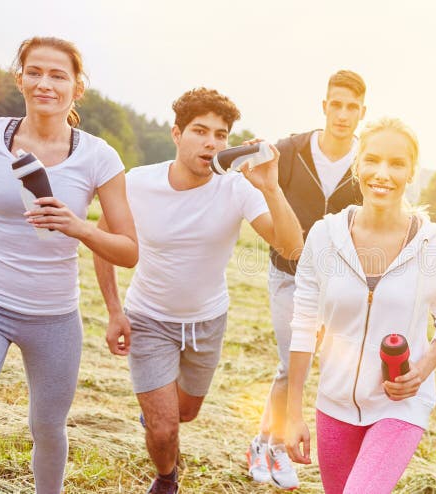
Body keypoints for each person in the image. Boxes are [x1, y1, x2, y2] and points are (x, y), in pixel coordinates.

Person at [92, 87, 303, 494]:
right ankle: (167, 477)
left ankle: (161, 419)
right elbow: (103, 244)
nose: (212, 143)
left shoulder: (239, 189)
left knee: (185, 413)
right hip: (148, 319)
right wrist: (115, 310)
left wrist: (272, 188)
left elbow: (291, 247)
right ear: (176, 134)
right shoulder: (138, 183)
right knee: (165, 427)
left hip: (207, 322)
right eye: (200, 131)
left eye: (221, 135)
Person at [284, 117, 436, 493]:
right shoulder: (324, 237)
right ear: (358, 165)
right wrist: (292, 412)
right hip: (334, 402)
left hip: (399, 405)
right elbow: (303, 324)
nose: (383, 173)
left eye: (397, 164)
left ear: (411, 172)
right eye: (373, 160)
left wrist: (423, 367)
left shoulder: (434, 246)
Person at [0, 37, 138, 494]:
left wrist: (80, 228)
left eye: (58, 75)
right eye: (34, 72)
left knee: (48, 427)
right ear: (20, 79)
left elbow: (128, 250)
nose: (44, 84)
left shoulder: (98, 156)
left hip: (54, 316)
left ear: (77, 87)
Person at [246, 70, 366, 490]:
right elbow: (255, 170)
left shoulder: (365, 162)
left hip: (335, 284)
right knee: (289, 363)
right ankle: (272, 445)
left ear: (362, 112)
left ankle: (263, 442)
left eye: (352, 107)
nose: (343, 114)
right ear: (324, 107)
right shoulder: (292, 150)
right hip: (288, 275)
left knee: (302, 365)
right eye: (337, 104)